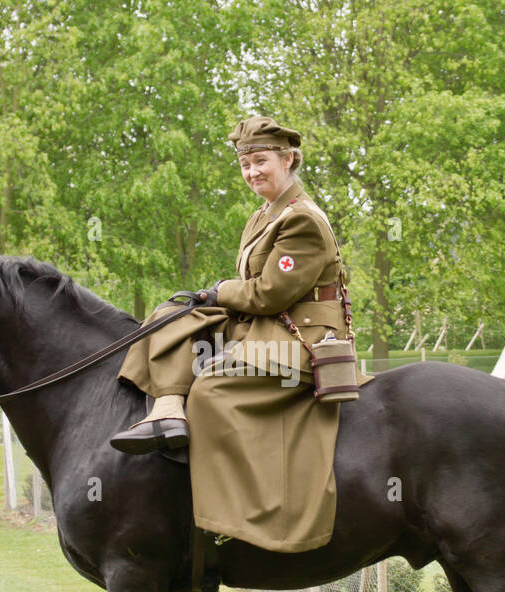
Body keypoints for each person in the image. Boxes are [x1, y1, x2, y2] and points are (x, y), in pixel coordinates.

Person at [112, 114, 368, 552]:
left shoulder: (302, 220)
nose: (252, 173)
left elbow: (269, 294)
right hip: (266, 326)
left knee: (212, 392)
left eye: (261, 162)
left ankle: (234, 514)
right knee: (170, 317)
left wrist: (220, 292)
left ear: (288, 159)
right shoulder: (264, 215)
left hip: (299, 340)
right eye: (246, 165)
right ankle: (167, 409)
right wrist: (210, 299)